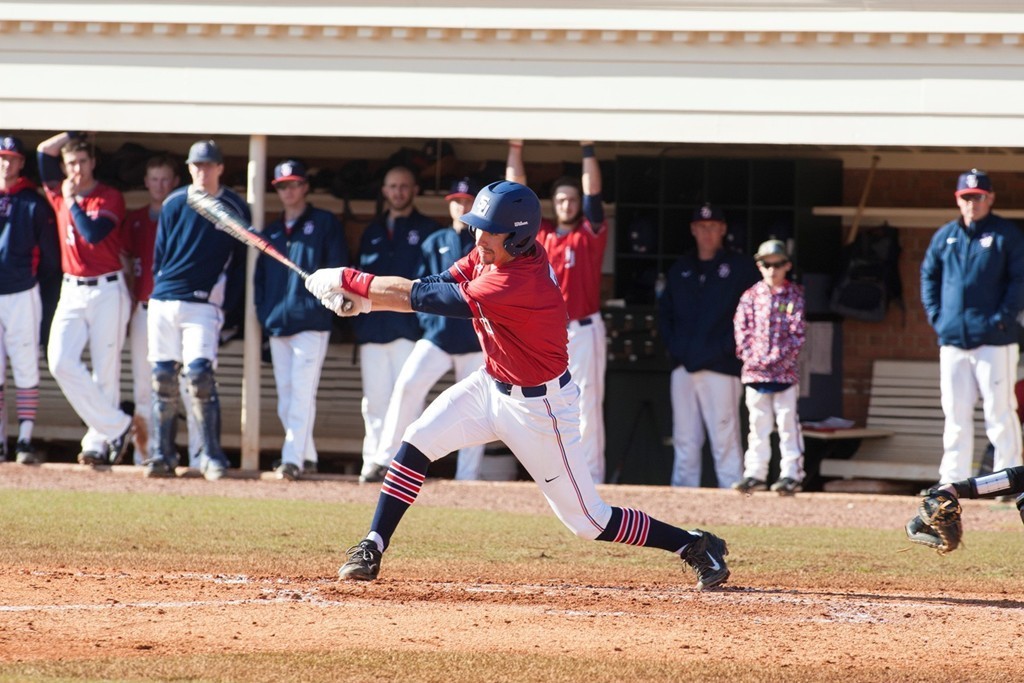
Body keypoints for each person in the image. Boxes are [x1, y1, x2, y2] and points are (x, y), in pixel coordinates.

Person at [303, 180, 731, 590]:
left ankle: (693, 544)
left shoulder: (513, 281)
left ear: (519, 238)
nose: (480, 237)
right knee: (416, 441)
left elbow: (418, 297)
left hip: (540, 410)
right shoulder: (493, 255)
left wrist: (350, 280)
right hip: (490, 385)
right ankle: (372, 546)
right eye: (479, 227)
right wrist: (364, 304)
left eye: (491, 231)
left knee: (589, 522)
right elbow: (436, 284)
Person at [363, 177, 486, 483]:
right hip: (439, 337)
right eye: (457, 201)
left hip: (474, 340)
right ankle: (384, 459)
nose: (462, 206)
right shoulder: (435, 240)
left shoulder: (487, 243)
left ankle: (467, 475)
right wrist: (430, 323)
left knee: (477, 408)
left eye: (468, 201)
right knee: (407, 386)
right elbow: (420, 286)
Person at [506, 140, 608, 484]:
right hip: (546, 333)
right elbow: (515, 193)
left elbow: (594, 194)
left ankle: (591, 475)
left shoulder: (587, 234)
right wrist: (515, 147)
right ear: (553, 203)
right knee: (547, 402)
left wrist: (588, 149)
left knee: (587, 404)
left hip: (582, 329)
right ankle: (559, 475)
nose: (567, 204)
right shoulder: (542, 234)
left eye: (572, 199)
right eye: (561, 199)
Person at [145, 139, 248, 480]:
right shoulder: (174, 202)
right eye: (196, 166)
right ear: (189, 169)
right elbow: (160, 257)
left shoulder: (234, 206)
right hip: (164, 299)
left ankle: (211, 455)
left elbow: (238, 267)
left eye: (208, 165)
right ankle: (162, 455)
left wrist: (228, 310)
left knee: (201, 377)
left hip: (203, 304)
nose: (202, 172)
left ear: (220, 168)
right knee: (162, 378)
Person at [920, 169, 1024, 486]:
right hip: (953, 339)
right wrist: (938, 317)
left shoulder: (1005, 235)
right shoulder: (945, 235)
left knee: (1001, 413)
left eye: (977, 197)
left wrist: (1002, 318)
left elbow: (1020, 280)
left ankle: (1008, 484)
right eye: (966, 198)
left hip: (995, 340)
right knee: (955, 415)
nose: (972, 203)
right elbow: (928, 276)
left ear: (989, 198)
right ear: (958, 200)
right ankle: (952, 483)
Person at [37, 131, 134, 466]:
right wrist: (72, 133)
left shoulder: (108, 196)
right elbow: (42, 153)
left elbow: (93, 235)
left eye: (81, 162)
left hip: (107, 288)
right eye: (71, 164)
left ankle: (97, 441)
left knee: (104, 370)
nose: (76, 169)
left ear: (92, 163)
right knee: (60, 361)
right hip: (72, 286)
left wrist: (72, 200)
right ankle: (117, 425)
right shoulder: (60, 190)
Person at [255, 160, 348, 480]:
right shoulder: (272, 231)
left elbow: (338, 270)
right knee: (286, 399)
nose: (288, 191)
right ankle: (306, 456)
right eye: (282, 186)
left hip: (311, 323)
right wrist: (265, 315)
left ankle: (291, 460)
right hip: (279, 324)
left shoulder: (324, 223)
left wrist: (328, 309)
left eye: (293, 184)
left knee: (301, 395)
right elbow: (260, 279)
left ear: (305, 187)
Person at [658, 203, 759, 488]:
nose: (707, 233)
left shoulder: (740, 268)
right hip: (684, 366)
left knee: (724, 438)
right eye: (702, 227)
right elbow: (665, 314)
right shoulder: (681, 269)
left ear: (723, 230)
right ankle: (683, 501)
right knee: (685, 438)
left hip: (721, 367)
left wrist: (727, 348)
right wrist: (676, 349)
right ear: (693, 230)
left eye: (713, 227)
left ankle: (733, 496)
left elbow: (751, 316)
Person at [351, 165, 440, 482]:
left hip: (408, 329)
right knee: (374, 401)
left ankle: (404, 469)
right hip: (373, 328)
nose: (398, 192)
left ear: (415, 190)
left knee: (407, 399)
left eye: (404, 186)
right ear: (384, 191)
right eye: (392, 186)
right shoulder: (372, 230)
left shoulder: (428, 230)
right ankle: (373, 462)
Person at [123, 154, 203, 467]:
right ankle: (148, 455)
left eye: (165, 179)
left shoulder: (183, 213)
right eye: (154, 179)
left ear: (176, 181)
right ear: (146, 182)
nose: (160, 185)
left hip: (180, 308)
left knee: (189, 385)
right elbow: (126, 260)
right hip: (144, 310)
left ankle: (199, 455)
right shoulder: (138, 218)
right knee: (145, 387)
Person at [0, 135, 59, 464]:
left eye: (12, 158)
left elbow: (51, 259)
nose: (7, 163)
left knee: (25, 366)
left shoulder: (33, 202)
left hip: (22, 291)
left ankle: (24, 439)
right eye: (2, 157)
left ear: (22, 163)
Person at [732, 239, 807, 495]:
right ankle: (755, 473)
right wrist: (755, 359)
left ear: (787, 265)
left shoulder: (794, 294)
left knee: (787, 425)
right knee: (758, 425)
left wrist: (775, 359)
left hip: (784, 374)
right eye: (766, 264)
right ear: (759, 265)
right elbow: (741, 332)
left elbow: (797, 335)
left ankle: (791, 473)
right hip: (755, 374)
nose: (772, 270)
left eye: (777, 264)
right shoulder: (750, 296)